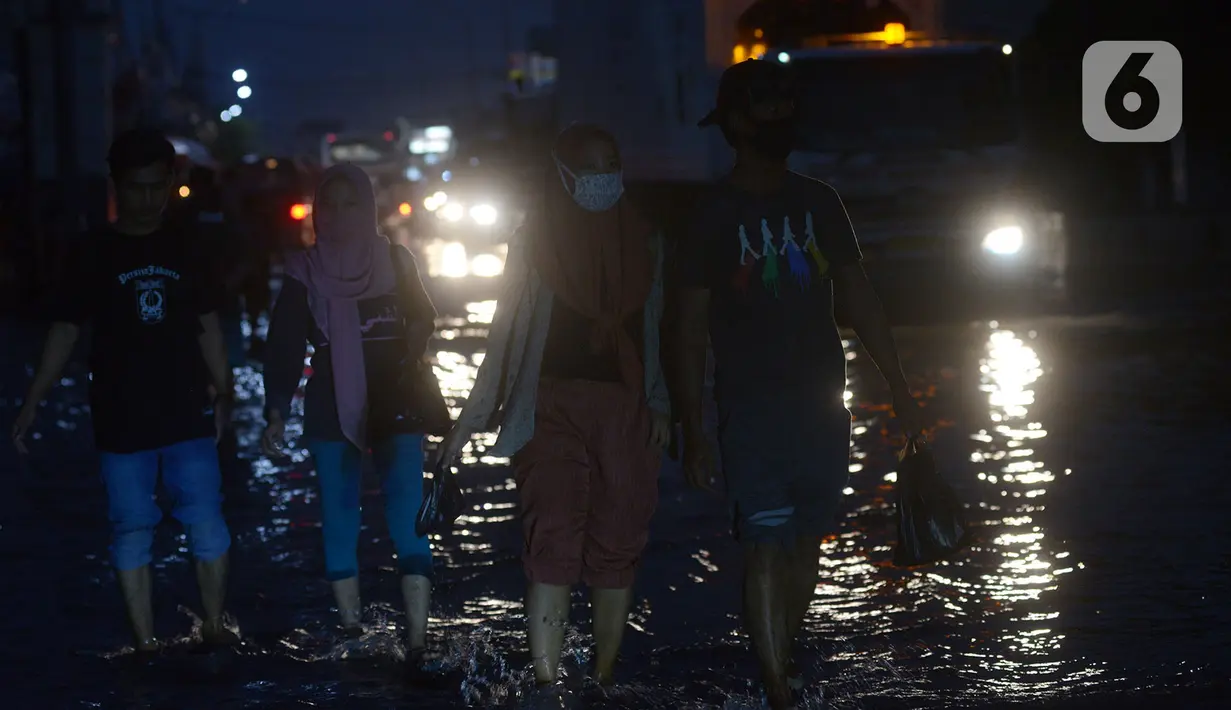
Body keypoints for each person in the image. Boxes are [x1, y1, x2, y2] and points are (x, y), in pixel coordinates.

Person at [673, 59, 924, 710]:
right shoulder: (709, 215)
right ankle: (778, 687)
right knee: (764, 541)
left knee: (805, 544)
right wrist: (690, 426)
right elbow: (687, 327)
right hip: (749, 409)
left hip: (820, 404)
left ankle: (779, 657)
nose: (778, 119)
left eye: (784, 106)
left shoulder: (818, 202)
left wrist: (898, 383)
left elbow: (859, 296)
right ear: (733, 123)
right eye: (765, 107)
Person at [434, 123, 672, 706]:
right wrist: (466, 424)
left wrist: (662, 403)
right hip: (548, 407)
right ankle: (548, 689)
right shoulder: (535, 238)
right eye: (588, 166)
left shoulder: (645, 238)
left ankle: (604, 680)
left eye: (610, 162)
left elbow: (657, 331)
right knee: (552, 539)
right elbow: (505, 333)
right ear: (563, 174)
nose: (601, 177)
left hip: (627, 408)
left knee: (619, 542)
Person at [10, 128, 238, 652]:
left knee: (206, 522)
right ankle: (144, 645)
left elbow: (208, 325)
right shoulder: (93, 251)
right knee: (132, 528)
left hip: (186, 410)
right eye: (137, 187)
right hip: (120, 416)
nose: (148, 198)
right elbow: (64, 329)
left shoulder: (186, 245)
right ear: (116, 185)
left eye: (158, 186)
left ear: (171, 183)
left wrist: (225, 392)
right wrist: (32, 401)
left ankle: (213, 627)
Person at [259, 163, 441, 673]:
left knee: (409, 518)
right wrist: (275, 409)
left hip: (397, 404)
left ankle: (419, 642)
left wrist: (411, 348)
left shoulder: (396, 260)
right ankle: (354, 634)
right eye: (330, 204)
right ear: (317, 211)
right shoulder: (304, 272)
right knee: (340, 518)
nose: (339, 214)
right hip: (328, 408)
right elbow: (284, 345)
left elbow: (424, 313)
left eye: (351, 204)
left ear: (369, 207)